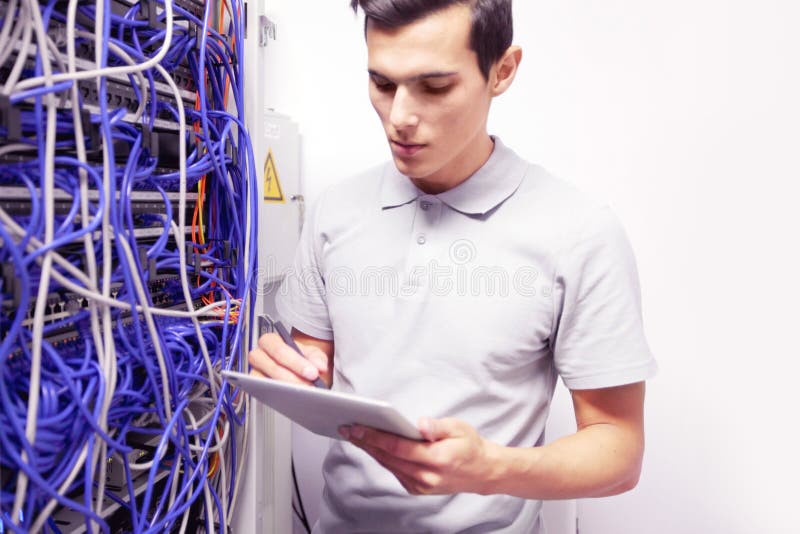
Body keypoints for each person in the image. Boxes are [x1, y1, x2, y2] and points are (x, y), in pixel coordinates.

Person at [248, 0, 658, 532]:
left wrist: (491, 469)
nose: (399, 117)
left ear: (503, 71)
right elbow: (315, 357)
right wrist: (292, 370)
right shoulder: (335, 211)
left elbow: (619, 451)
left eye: (435, 87)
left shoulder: (579, 232)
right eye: (381, 82)